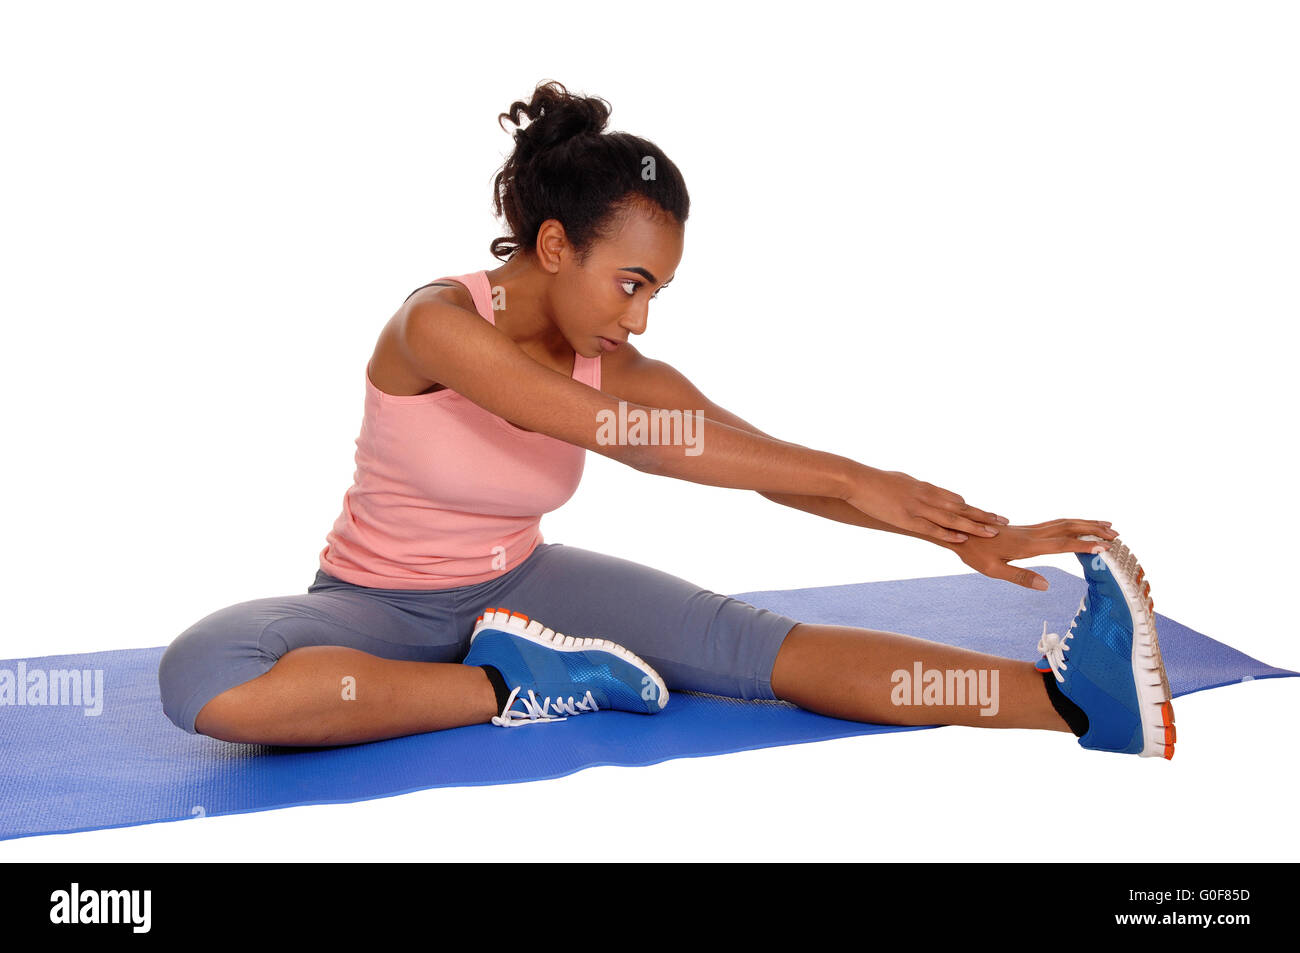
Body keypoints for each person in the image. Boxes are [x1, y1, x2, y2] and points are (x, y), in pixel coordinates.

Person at [157, 80, 1174, 759]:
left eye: (657, 291)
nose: (638, 315)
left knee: (765, 649)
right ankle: (518, 681)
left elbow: (768, 466)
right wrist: (860, 479)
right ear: (553, 246)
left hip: (528, 581)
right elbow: (618, 435)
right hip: (369, 604)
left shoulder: (618, 363)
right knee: (207, 679)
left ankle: (1074, 703)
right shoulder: (438, 325)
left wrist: (955, 525)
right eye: (630, 282)